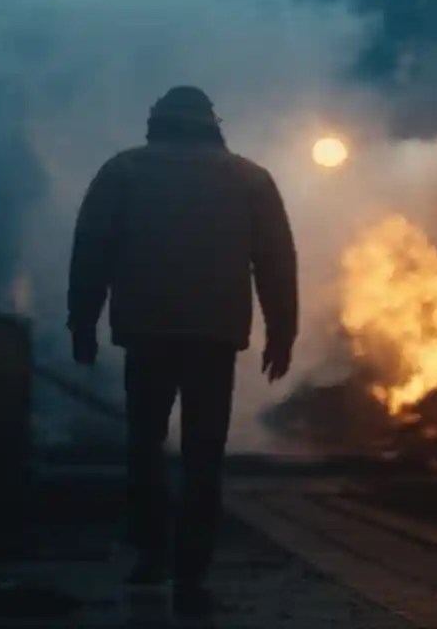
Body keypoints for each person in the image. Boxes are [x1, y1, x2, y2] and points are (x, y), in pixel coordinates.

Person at [67, 86, 298, 618]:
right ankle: (193, 569)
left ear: (156, 123)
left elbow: (91, 251)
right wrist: (281, 332)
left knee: (144, 446)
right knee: (203, 455)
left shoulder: (122, 172)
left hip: (145, 332)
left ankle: (150, 555)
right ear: (212, 124)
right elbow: (276, 262)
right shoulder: (250, 179)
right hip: (214, 338)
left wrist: (83, 322)